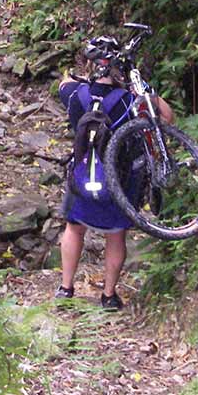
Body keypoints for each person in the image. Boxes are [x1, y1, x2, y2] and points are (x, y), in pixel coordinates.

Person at [54, 36, 174, 310]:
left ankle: (66, 287)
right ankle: (108, 295)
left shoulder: (73, 94)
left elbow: (63, 82)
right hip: (119, 179)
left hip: (83, 175)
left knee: (74, 228)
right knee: (116, 234)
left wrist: (84, 77)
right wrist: (143, 89)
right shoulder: (130, 100)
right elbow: (167, 118)